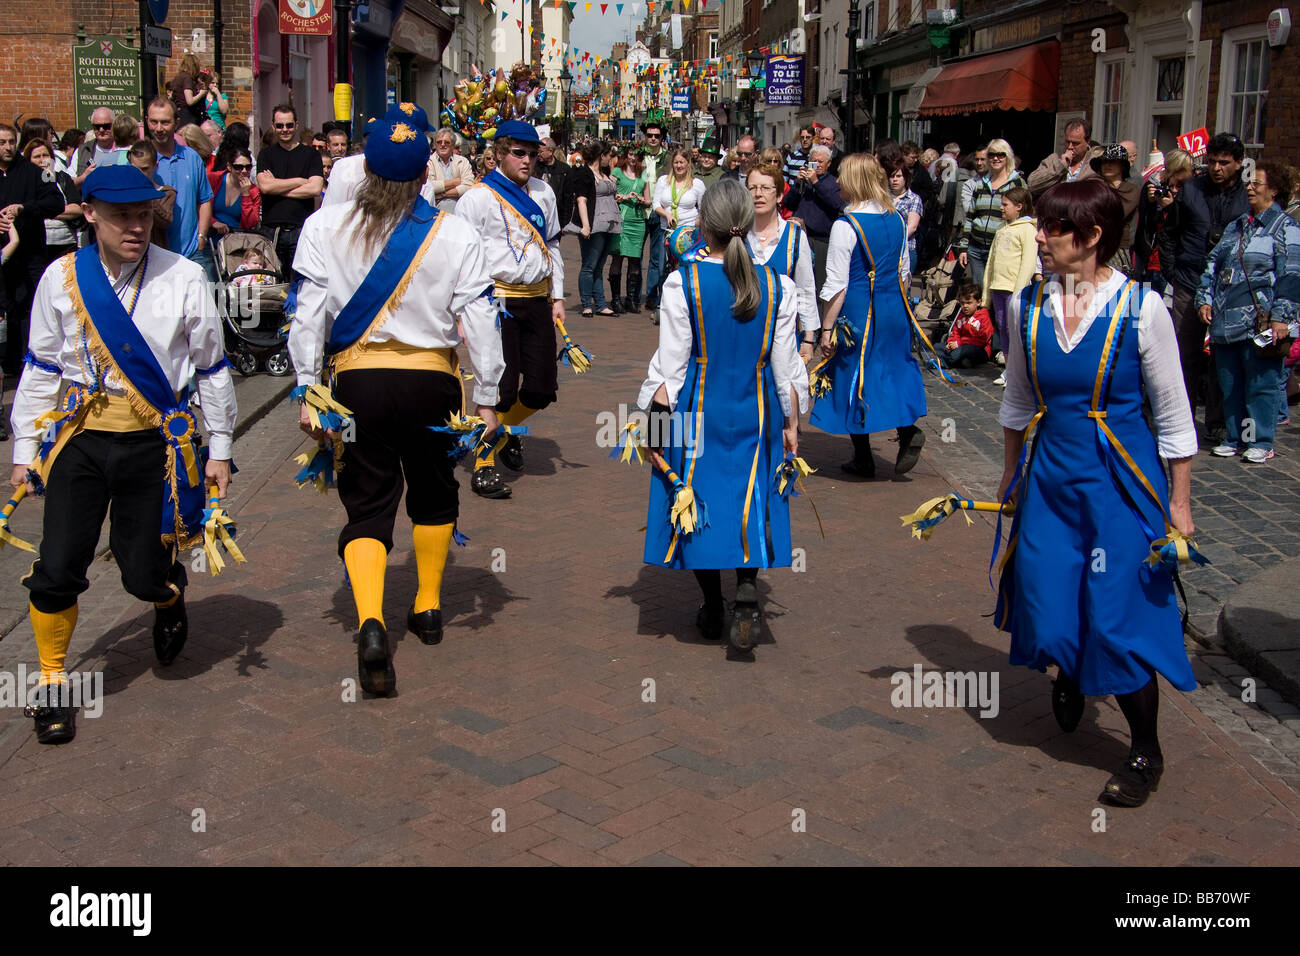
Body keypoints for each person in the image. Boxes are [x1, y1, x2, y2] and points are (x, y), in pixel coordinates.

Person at [9, 164, 236, 742]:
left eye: (143, 216)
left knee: (140, 572)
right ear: (90, 215)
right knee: (58, 565)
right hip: (79, 440)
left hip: (153, 447)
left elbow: (211, 367)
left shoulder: (183, 276)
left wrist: (221, 449)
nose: (135, 228)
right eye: (120, 217)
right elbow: (39, 368)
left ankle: (166, 595)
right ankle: (53, 683)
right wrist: (25, 447)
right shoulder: (61, 278)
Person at [996, 178, 1198, 807]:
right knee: (1047, 592)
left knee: (1119, 613)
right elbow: (1018, 400)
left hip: (1120, 482)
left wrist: (1180, 501)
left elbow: (1174, 416)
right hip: (1052, 476)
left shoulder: (1144, 309)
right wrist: (1010, 474)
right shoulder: (1025, 307)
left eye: (1052, 228)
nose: (1039, 237)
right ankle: (1071, 670)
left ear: (1090, 237)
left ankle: (1144, 751)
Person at [289, 114, 502, 696]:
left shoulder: (322, 227)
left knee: (368, 501)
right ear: (424, 174)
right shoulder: (454, 233)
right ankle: (429, 607)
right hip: (432, 385)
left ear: (363, 169)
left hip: (358, 388)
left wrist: (309, 388)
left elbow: (307, 316)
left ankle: (372, 622)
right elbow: (480, 320)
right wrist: (486, 397)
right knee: (433, 490)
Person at [638, 179, 808, 653]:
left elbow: (669, 370)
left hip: (698, 409)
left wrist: (652, 432)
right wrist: (793, 426)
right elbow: (785, 370)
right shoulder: (779, 286)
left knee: (700, 499)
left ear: (703, 226)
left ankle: (713, 604)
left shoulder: (682, 282)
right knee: (750, 497)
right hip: (757, 409)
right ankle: (747, 589)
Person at [453, 120, 565, 500]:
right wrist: (459, 312)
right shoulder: (477, 198)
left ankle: (507, 432)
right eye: (519, 152)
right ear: (500, 152)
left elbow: (552, 245)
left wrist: (559, 296)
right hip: (494, 301)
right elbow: (460, 258)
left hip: (536, 298)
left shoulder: (544, 194)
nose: (528, 160)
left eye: (533, 154)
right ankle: (484, 464)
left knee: (541, 388)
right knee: (500, 387)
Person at [812, 153, 925, 479]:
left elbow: (837, 285)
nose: (836, 182)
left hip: (860, 312)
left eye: (842, 176)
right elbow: (904, 273)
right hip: (893, 309)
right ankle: (907, 432)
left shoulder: (846, 226)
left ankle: (864, 457)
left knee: (852, 377)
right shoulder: (897, 219)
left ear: (855, 181)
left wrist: (826, 329)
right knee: (889, 372)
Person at [1195, 161, 1300, 463]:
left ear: (1274, 189)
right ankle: (1236, 436)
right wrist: (1204, 299)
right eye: (1249, 183)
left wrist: (1282, 316)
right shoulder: (1236, 225)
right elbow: (1213, 265)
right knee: (1231, 386)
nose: (1250, 187)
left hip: (1261, 325)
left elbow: (1292, 276)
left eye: (1257, 183)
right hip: (1226, 323)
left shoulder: (1285, 228)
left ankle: (1260, 440)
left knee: (1260, 385)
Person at [1164, 132, 1249, 444]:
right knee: (1183, 354)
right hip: (1189, 279)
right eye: (1212, 161)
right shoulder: (1191, 190)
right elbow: (1170, 232)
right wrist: (1173, 269)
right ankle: (1181, 418)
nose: (1216, 168)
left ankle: (1217, 421)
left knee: (1221, 359)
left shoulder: (1246, 196)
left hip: (1229, 286)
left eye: (1224, 163)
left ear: (1239, 164)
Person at [0, 122, 65, 375]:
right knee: (7, 311)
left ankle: (32, 362)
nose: (8, 147)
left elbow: (56, 202)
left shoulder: (37, 170)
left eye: (11, 142)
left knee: (31, 308)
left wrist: (24, 208)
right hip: (3, 256)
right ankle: (9, 363)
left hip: (31, 254)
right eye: (2, 142)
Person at [747, 163, 817, 361]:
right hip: (742, 338)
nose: (758, 194)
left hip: (783, 341)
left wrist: (808, 339)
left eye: (765, 188)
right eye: (752, 188)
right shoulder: (737, 235)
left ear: (779, 196)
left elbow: (805, 290)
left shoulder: (794, 237)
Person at [146, 98, 214, 280]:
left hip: (193, 253)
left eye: (165, 122)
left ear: (176, 123)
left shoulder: (192, 157)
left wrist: (201, 237)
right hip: (155, 255)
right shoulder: (142, 161)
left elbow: (205, 199)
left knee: (203, 307)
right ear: (147, 121)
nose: (159, 128)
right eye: (154, 122)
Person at [256, 103, 324, 282]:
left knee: (301, 283)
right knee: (271, 283)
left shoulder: (311, 155)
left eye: (288, 125)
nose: (284, 130)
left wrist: (277, 187)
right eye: (279, 125)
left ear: (296, 125)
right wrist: (298, 181)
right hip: (272, 230)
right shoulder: (265, 155)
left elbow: (315, 188)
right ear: (273, 126)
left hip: (300, 228)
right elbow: (265, 187)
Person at [982, 185, 1038, 378]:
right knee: (1003, 328)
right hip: (999, 286)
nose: (1002, 208)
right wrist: (986, 293)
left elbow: (1029, 263)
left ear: (1019, 206)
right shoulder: (1001, 229)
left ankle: (1019, 370)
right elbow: (991, 261)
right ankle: (1009, 369)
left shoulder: (1027, 230)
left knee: (1015, 330)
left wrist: (1019, 291)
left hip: (1014, 289)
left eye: (1006, 204)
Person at [957, 138, 1026, 287]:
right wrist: (964, 246)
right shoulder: (980, 184)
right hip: (976, 248)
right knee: (979, 292)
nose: (996, 158)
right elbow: (970, 217)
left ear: (1007, 157)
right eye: (992, 155)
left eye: (1001, 154)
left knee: (998, 291)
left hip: (1002, 248)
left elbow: (1024, 217)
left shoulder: (1017, 183)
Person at [781, 144, 843, 293]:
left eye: (821, 162)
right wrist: (798, 184)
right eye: (814, 161)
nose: (817, 165)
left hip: (821, 241)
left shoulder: (833, 183)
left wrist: (816, 182)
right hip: (801, 236)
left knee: (819, 284)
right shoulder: (805, 182)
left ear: (828, 164)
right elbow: (787, 203)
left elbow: (835, 204)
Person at [1134, 147, 1195, 296]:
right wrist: (1149, 203)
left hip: (1175, 267)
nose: (1174, 190)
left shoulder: (1192, 194)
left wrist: (1171, 208)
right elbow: (1144, 226)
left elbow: (1188, 226)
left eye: (1180, 185)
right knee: (1144, 311)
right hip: (1151, 263)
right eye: (1171, 185)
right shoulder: (1154, 186)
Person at [570, 142, 621, 317]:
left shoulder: (604, 173)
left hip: (608, 222)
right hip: (594, 223)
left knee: (599, 266)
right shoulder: (585, 173)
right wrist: (585, 225)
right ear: (601, 156)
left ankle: (600, 303)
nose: (611, 159)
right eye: (609, 155)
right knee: (589, 265)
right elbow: (581, 200)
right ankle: (586, 303)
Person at [22, 140, 83, 268]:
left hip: (65, 244)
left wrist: (45, 210)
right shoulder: (24, 184)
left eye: (45, 155)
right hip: (37, 245)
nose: (42, 160)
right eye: (37, 157)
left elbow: (77, 209)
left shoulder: (62, 179)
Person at [610, 148, 651, 313]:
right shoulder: (617, 172)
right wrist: (623, 197)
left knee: (635, 260)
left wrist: (641, 199)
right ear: (626, 155)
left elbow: (648, 201)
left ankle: (631, 299)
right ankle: (615, 299)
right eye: (631, 154)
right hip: (622, 218)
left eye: (637, 155)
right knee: (618, 257)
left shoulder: (643, 175)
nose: (633, 158)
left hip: (637, 220)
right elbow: (609, 194)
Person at [1091, 144, 1141, 276]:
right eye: (1104, 162)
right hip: (1092, 244)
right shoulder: (1094, 187)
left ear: (1122, 166)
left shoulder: (1131, 189)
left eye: (1112, 162)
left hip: (1117, 247)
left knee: (1115, 288)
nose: (1107, 165)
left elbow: (1117, 213)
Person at [640, 122, 671, 315]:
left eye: (656, 136)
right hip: (639, 210)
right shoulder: (637, 156)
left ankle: (652, 296)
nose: (653, 138)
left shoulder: (668, 158)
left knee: (657, 257)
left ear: (662, 138)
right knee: (634, 256)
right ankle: (634, 297)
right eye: (650, 135)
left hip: (659, 211)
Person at [1027, 119, 1099, 198]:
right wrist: (1060, 167)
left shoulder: (1095, 163)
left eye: (1075, 143)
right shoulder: (1054, 159)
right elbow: (1032, 185)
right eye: (1067, 142)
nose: (1070, 147)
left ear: (1087, 141)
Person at [126, 140, 177, 250]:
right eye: (135, 169)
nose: (139, 173)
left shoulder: (166, 193)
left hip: (155, 253)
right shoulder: (125, 191)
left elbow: (165, 221)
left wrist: (147, 193)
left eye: (144, 169)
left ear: (155, 165)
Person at [210, 146, 261, 237]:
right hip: (210, 235)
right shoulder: (214, 180)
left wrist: (246, 195)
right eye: (238, 167)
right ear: (229, 167)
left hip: (237, 240)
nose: (244, 171)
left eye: (248, 167)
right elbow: (198, 206)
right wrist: (212, 221)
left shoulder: (253, 191)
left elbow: (250, 224)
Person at [885, 157, 923, 275]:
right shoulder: (883, 197)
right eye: (892, 176)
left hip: (905, 249)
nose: (894, 180)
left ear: (905, 178)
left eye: (898, 176)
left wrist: (894, 241)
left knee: (903, 289)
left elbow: (912, 227)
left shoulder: (913, 199)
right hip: (884, 249)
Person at [943, 284, 994, 368]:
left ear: (978, 302)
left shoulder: (984, 317)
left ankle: (947, 360)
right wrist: (951, 342)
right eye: (962, 303)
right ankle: (957, 360)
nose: (965, 306)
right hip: (960, 345)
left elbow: (983, 339)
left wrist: (959, 343)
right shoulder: (961, 316)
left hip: (979, 349)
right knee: (938, 346)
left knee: (964, 350)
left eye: (969, 303)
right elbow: (955, 332)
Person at [429, 128, 473, 213]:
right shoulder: (429, 162)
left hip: (461, 210)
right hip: (437, 212)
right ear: (435, 144)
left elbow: (469, 185)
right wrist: (454, 182)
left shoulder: (463, 161)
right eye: (439, 142)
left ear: (453, 144)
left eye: (447, 142)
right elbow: (430, 186)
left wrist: (443, 194)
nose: (442, 145)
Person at [72, 108, 120, 184]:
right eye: (97, 127)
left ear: (114, 125)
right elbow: (69, 183)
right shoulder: (82, 151)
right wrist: (84, 177)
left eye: (106, 126)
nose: (101, 130)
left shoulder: (123, 149)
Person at [536, 136, 572, 229]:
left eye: (540, 151)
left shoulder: (564, 170)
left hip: (556, 218)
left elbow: (568, 198)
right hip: (537, 215)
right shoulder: (534, 168)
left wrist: (564, 223)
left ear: (550, 151)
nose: (538, 154)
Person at [168, 53, 208, 128]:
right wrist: (202, 93)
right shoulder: (187, 78)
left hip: (179, 113)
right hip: (188, 116)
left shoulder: (178, 77)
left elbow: (171, 97)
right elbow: (189, 101)